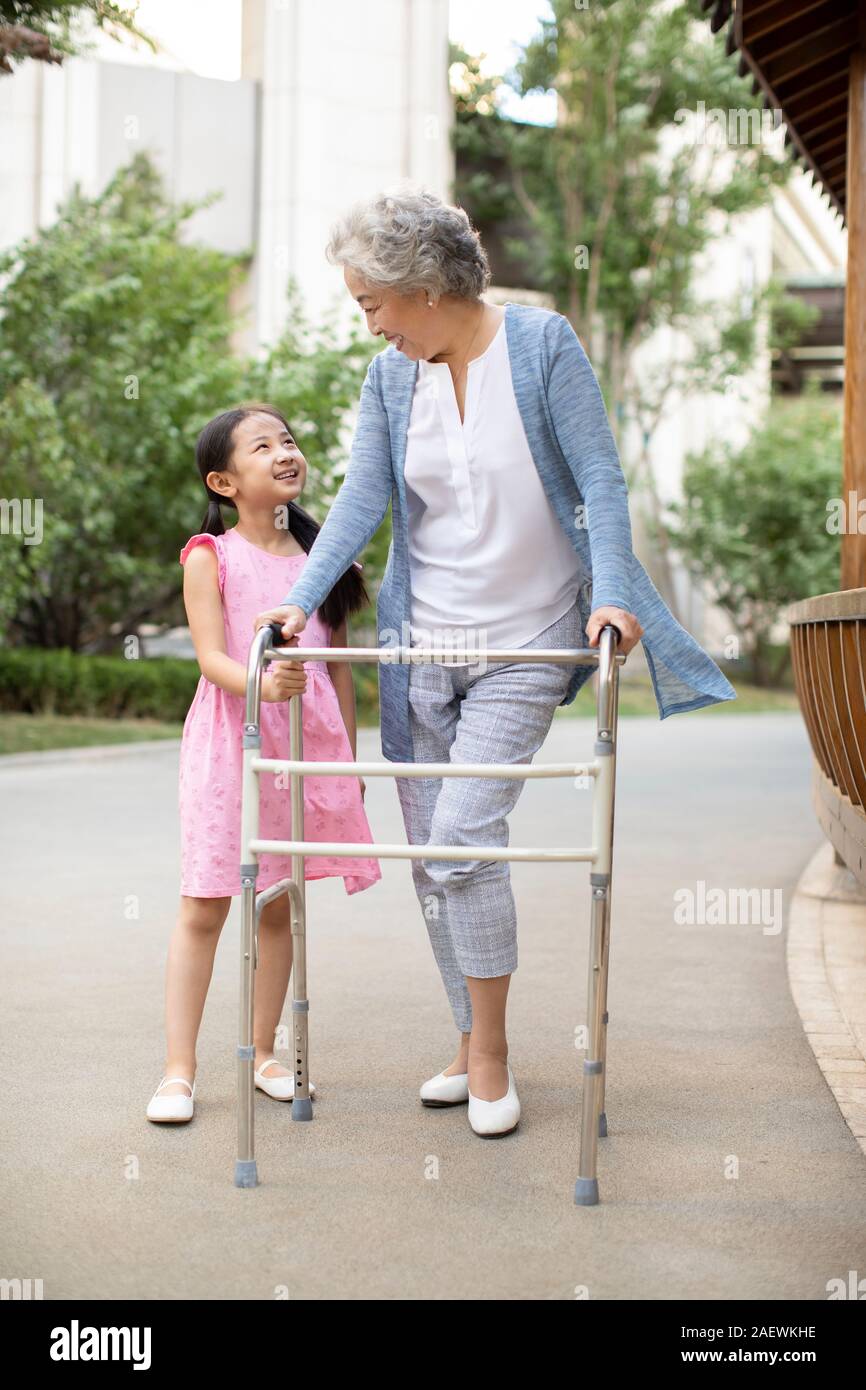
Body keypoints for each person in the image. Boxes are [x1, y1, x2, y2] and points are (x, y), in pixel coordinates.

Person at [253, 185, 736, 1139]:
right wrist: (298, 600)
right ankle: (469, 1035)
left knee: (464, 836)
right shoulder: (392, 379)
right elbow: (362, 502)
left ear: (424, 287)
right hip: (423, 641)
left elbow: (598, 479)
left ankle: (495, 1056)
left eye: (371, 304)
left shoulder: (543, 344)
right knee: (438, 858)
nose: (371, 324)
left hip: (526, 638)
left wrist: (609, 591)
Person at [147, 402, 381, 1124]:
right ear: (224, 481)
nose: (285, 452)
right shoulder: (208, 555)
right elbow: (213, 656)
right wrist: (260, 682)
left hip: (304, 751)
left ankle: (264, 1053)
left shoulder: (324, 562)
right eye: (262, 446)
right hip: (232, 743)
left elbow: (337, 672)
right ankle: (179, 1070)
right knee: (205, 903)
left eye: (287, 440)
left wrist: (347, 763)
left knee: (278, 904)